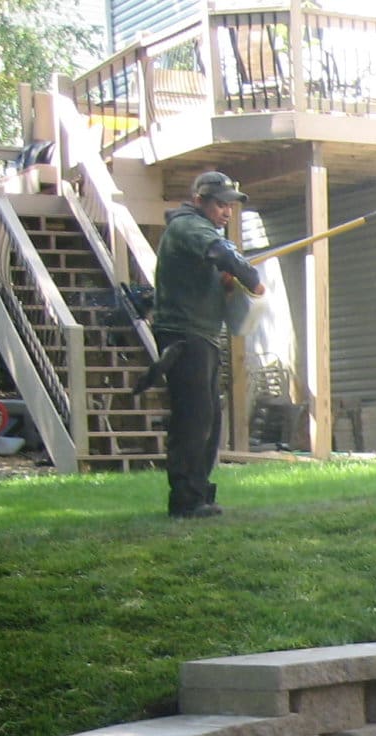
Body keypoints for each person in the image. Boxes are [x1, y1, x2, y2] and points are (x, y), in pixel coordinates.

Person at [151, 171, 265, 518]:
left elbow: (212, 265)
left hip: (201, 335)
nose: (227, 212)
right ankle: (185, 501)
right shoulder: (188, 226)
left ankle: (199, 496)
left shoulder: (197, 231)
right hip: (184, 336)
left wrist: (226, 286)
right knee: (193, 420)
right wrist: (250, 277)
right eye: (220, 204)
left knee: (209, 420)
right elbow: (222, 251)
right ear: (199, 201)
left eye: (230, 205)